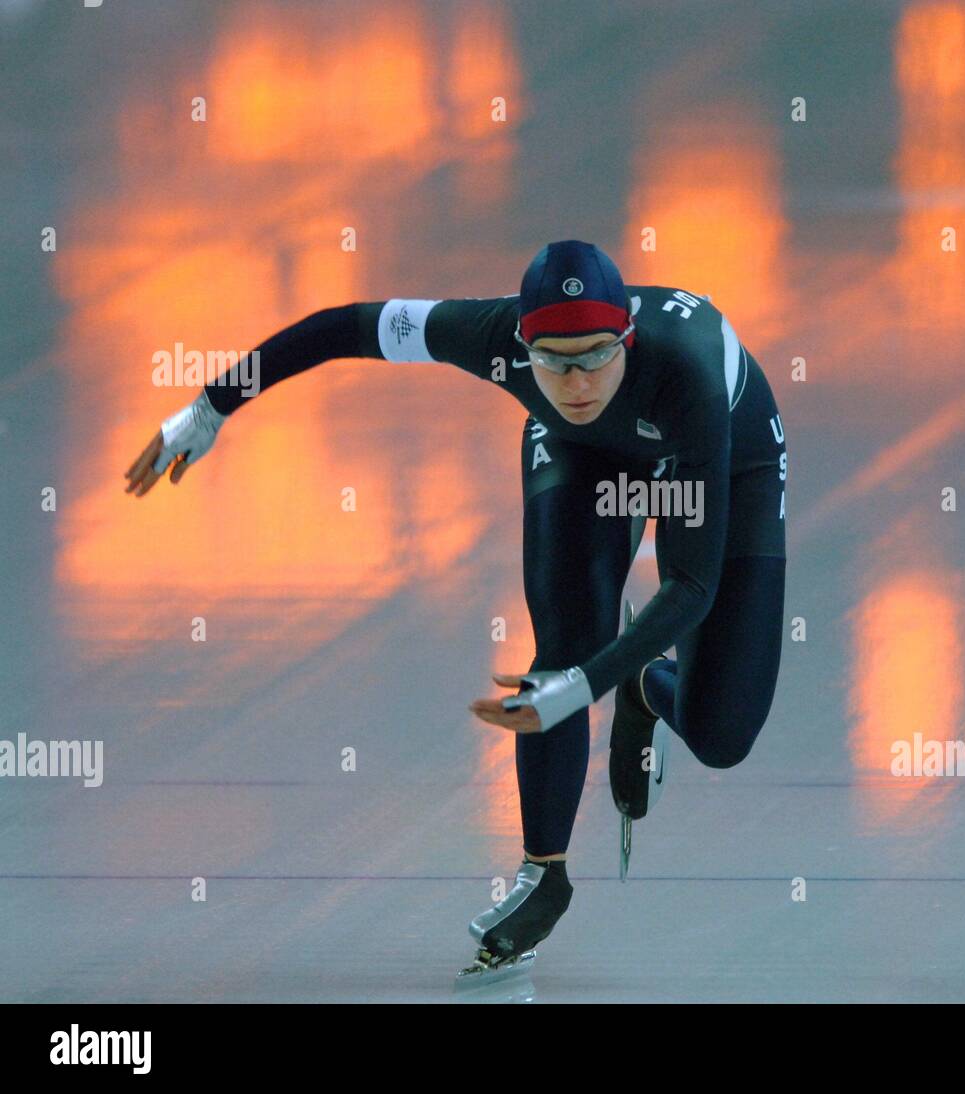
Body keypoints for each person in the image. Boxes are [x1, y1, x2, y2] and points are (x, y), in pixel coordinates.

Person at [124, 240, 787, 973]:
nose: (576, 380)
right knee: (565, 644)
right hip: (583, 454)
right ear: (518, 345)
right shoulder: (484, 334)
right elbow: (342, 327)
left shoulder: (686, 370)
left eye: (597, 355)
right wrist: (210, 406)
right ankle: (544, 872)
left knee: (722, 735)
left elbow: (690, 587)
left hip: (726, 458)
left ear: (627, 338)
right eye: (554, 359)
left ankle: (642, 685)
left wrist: (592, 686)